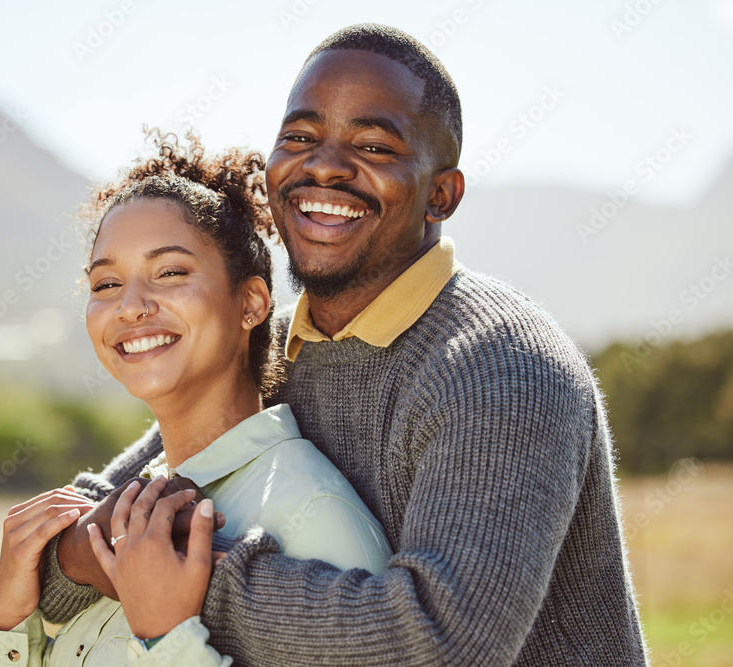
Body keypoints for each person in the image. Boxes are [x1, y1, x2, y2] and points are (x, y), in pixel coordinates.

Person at [38, 23, 649, 666]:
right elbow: (90, 527)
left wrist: (180, 579)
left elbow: (439, 642)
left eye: (374, 145)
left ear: (441, 194)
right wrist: (93, 549)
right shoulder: (278, 346)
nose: (324, 165)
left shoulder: (503, 367)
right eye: (299, 137)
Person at [0, 131, 393, 665]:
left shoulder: (314, 515)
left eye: (169, 272)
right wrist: (9, 620)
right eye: (105, 284)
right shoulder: (128, 506)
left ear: (252, 302)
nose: (130, 306)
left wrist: (167, 639)